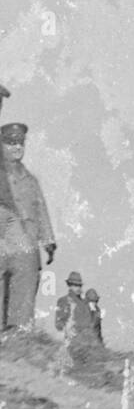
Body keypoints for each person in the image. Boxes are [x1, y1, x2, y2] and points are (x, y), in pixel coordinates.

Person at [0, 121, 55, 330]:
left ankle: (19, 335)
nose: (17, 148)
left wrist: (48, 241)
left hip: (26, 246)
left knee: (23, 293)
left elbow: (41, 211)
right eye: (11, 143)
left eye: (20, 143)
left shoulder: (30, 181)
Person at [55, 271, 97, 344]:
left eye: (79, 285)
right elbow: (59, 323)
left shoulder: (86, 303)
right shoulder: (64, 301)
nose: (77, 288)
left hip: (88, 341)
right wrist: (67, 329)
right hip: (72, 341)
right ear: (69, 285)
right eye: (74, 285)